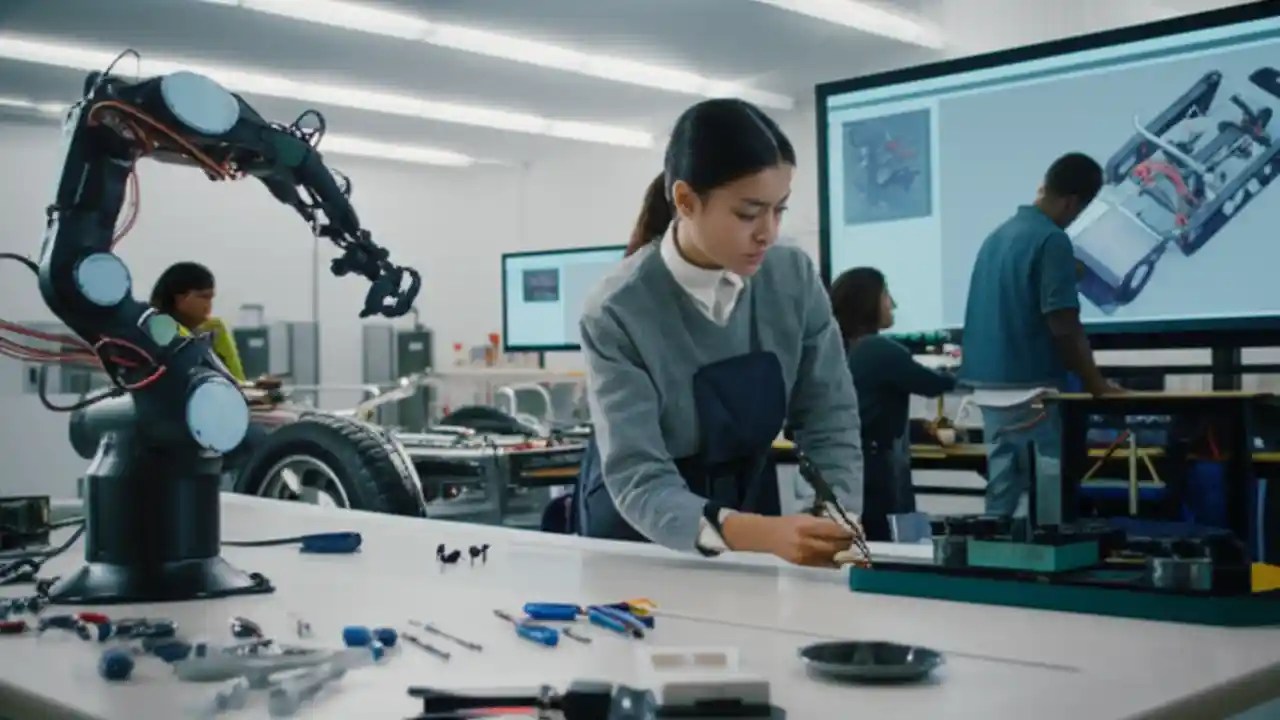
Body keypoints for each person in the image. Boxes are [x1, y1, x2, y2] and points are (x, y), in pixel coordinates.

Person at [574, 98, 865, 568]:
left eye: (779, 210)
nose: (768, 233)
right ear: (686, 201)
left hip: (749, 510)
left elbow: (829, 416)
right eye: (749, 214)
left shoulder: (792, 277)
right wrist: (757, 534)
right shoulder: (616, 310)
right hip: (642, 528)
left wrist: (834, 514)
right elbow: (638, 477)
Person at [959, 152, 1116, 519]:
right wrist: (1097, 384)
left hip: (989, 387)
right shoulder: (1052, 239)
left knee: (1003, 496)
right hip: (1031, 390)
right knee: (1047, 502)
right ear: (1072, 202)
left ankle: (993, 554)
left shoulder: (998, 236)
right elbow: (1063, 323)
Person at [830, 267, 955, 541]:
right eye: (886, 295)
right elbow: (935, 384)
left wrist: (923, 429)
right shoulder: (879, 349)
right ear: (868, 302)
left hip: (852, 472)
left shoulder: (840, 348)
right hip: (880, 476)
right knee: (900, 549)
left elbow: (866, 412)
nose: (893, 304)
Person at [150, 262, 247, 383]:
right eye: (203, 297)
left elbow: (237, 383)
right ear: (180, 298)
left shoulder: (211, 330)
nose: (208, 306)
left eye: (211, 298)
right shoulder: (157, 330)